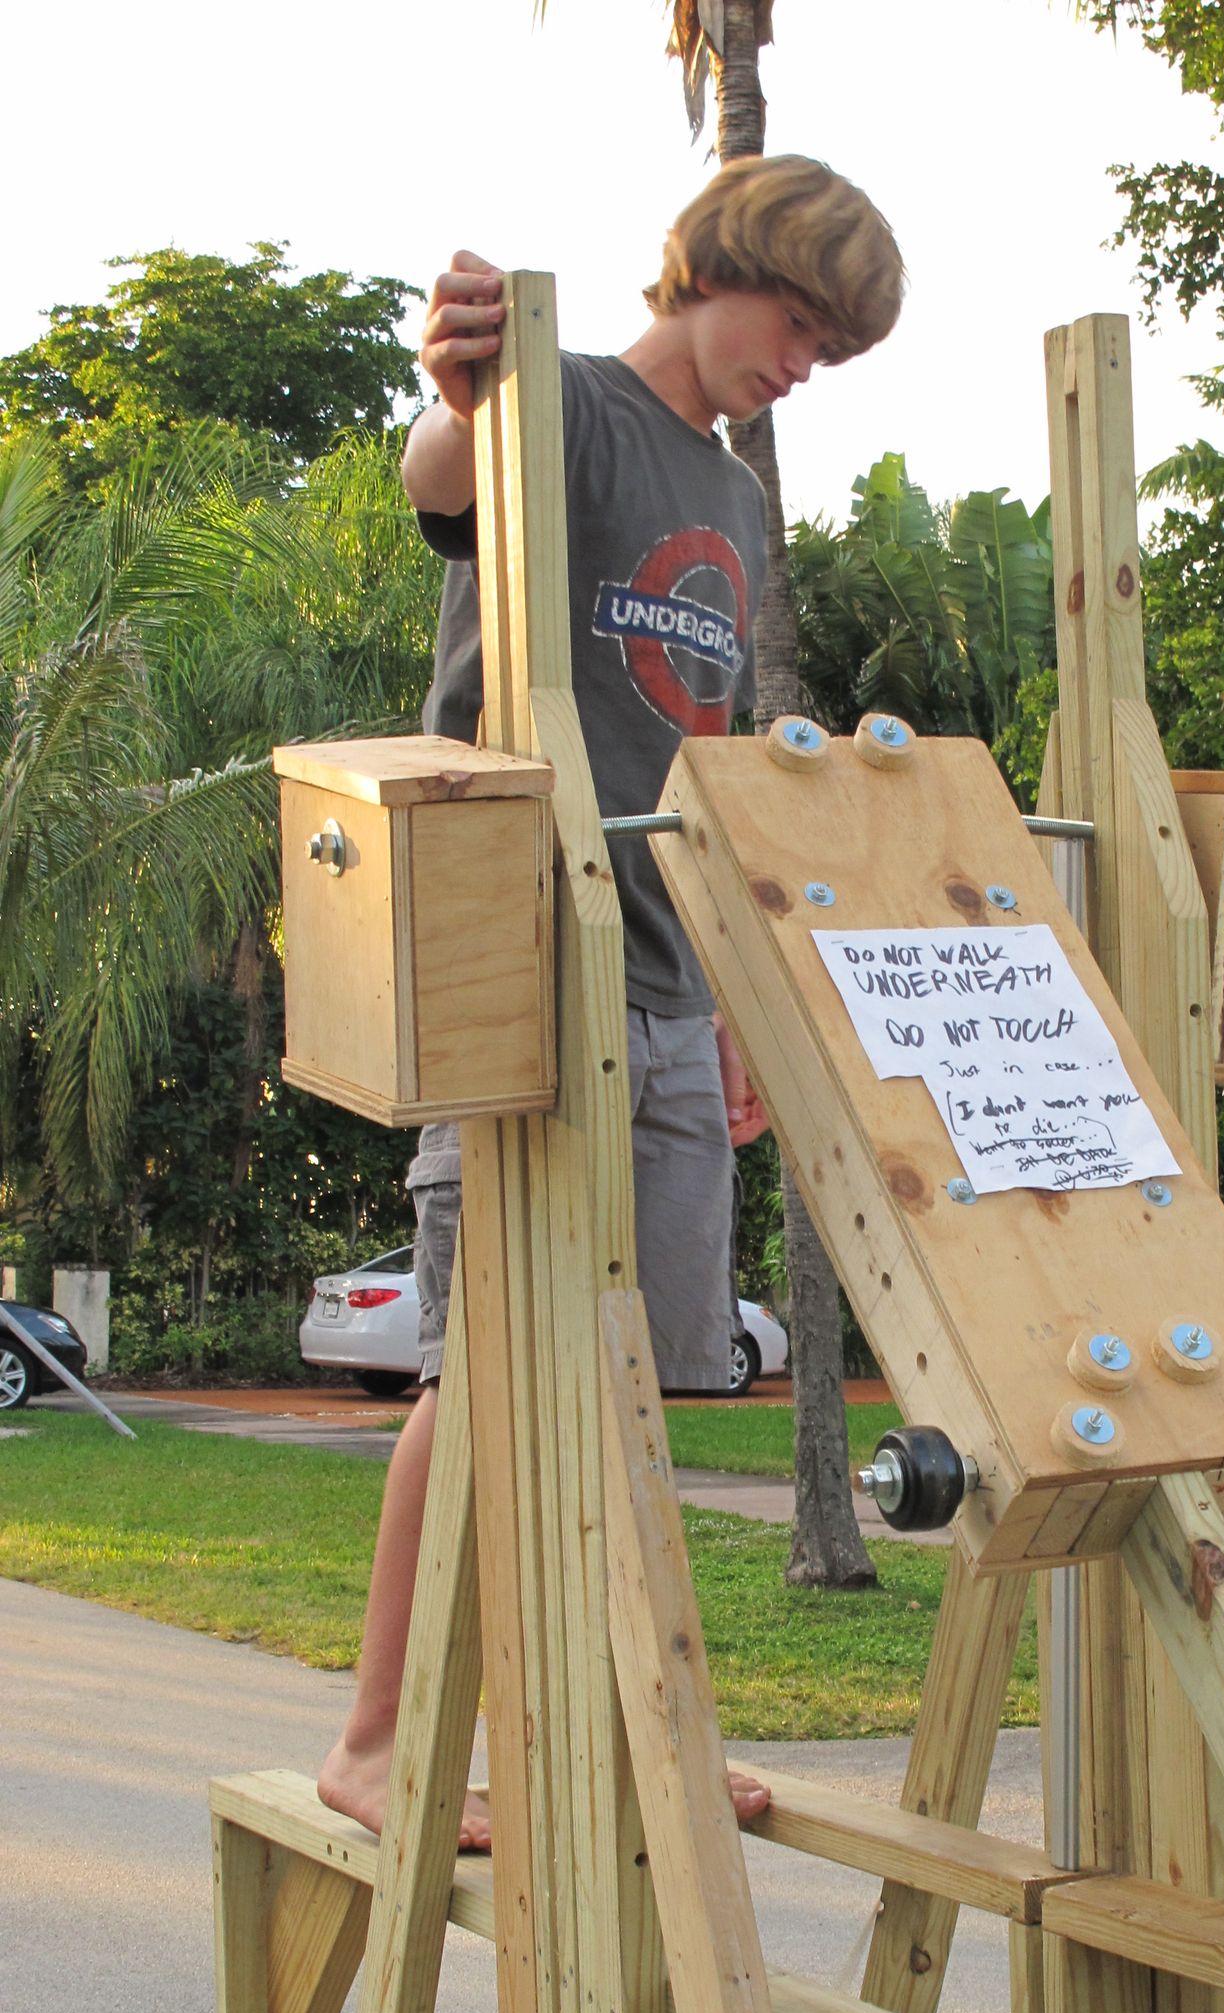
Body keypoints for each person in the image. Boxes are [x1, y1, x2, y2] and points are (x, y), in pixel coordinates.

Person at [319, 156, 905, 1848]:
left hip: (658, 975)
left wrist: (725, 997)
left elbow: (705, 759)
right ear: (716, 269)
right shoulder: (560, 394)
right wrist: (458, 383)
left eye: (829, 353)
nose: (801, 367)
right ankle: (376, 1743)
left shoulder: (731, 494)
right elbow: (445, 473)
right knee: (490, 1373)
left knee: (636, 1386)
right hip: (509, 949)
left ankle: (633, 1724)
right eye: (797, 326)